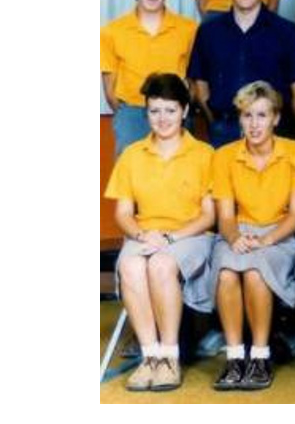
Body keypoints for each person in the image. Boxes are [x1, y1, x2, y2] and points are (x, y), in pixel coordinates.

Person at [106, 73, 216, 392]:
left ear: (184, 111)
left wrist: (169, 239)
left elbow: (209, 216)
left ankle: (169, 357)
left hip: (189, 236)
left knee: (161, 265)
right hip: (145, 234)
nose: (162, 118)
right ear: (146, 113)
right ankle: (150, 355)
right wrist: (143, 236)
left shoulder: (204, 154)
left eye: (170, 110)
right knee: (130, 266)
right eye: (154, 110)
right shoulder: (132, 154)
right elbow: (123, 214)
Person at [210, 81, 295, 391]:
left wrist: (266, 241)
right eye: (247, 115)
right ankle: (235, 356)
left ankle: (260, 356)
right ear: (239, 118)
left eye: (262, 115)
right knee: (226, 273)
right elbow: (225, 216)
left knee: (254, 272)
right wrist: (235, 237)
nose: (254, 124)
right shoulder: (224, 156)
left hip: (278, 235)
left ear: (276, 118)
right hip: (237, 232)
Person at [188, 0, 295, 147]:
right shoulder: (208, 32)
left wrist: (281, 126)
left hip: (275, 133)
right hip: (224, 131)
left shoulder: (289, 33)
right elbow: (200, 87)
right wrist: (217, 123)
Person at [102, 0, 198, 155]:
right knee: (132, 172)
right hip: (132, 116)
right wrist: (129, 117)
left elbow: (194, 82)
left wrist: (177, 111)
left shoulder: (189, 29)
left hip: (175, 114)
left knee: (178, 172)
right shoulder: (111, 32)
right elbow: (110, 90)